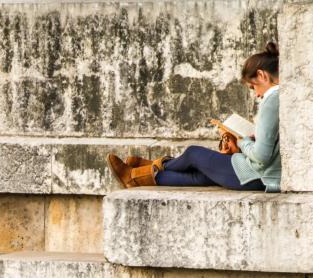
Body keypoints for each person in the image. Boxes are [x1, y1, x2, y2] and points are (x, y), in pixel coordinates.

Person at [107, 42, 281, 193]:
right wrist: (248, 142)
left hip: (256, 175)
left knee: (193, 154)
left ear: (262, 75)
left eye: (253, 87)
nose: (256, 94)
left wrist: (242, 140)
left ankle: (148, 167)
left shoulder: (272, 101)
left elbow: (261, 157)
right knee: (199, 176)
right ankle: (135, 178)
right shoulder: (283, 96)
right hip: (265, 177)